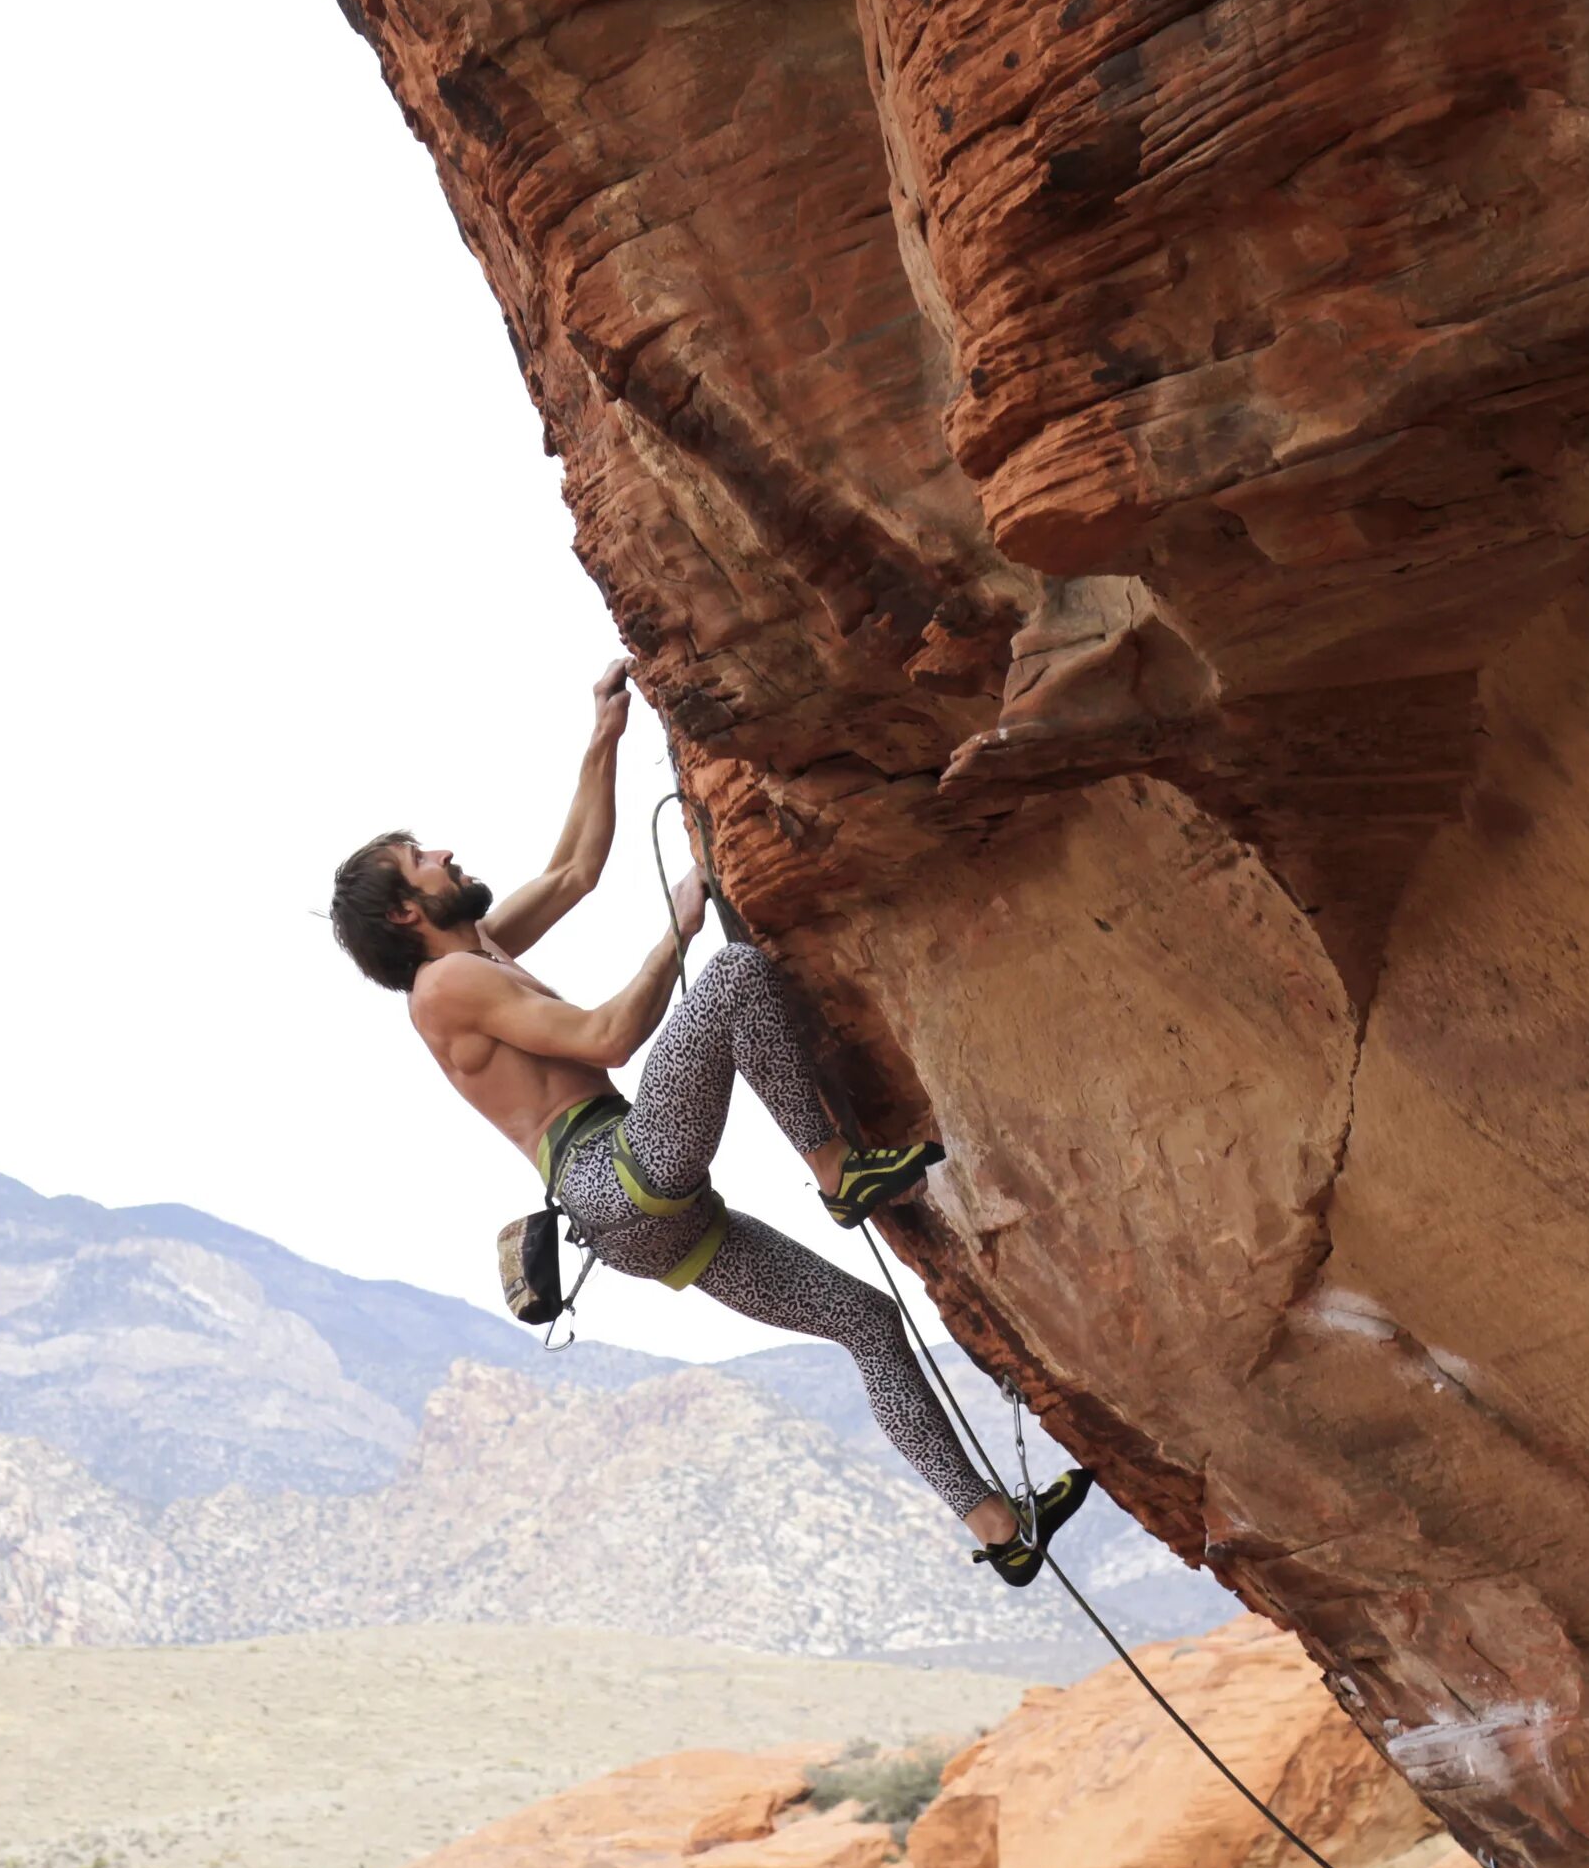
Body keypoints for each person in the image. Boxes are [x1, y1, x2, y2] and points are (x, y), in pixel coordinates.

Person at [327, 659, 1089, 1586]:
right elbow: (607, 1038)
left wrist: (603, 733)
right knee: (729, 978)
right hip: (615, 1172)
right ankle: (837, 1172)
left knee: (865, 1320)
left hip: (642, 1214)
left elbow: (573, 871)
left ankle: (1000, 1529)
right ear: (406, 911)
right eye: (423, 861)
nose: (446, 854)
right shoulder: (445, 986)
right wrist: (678, 930)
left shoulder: (476, 951)